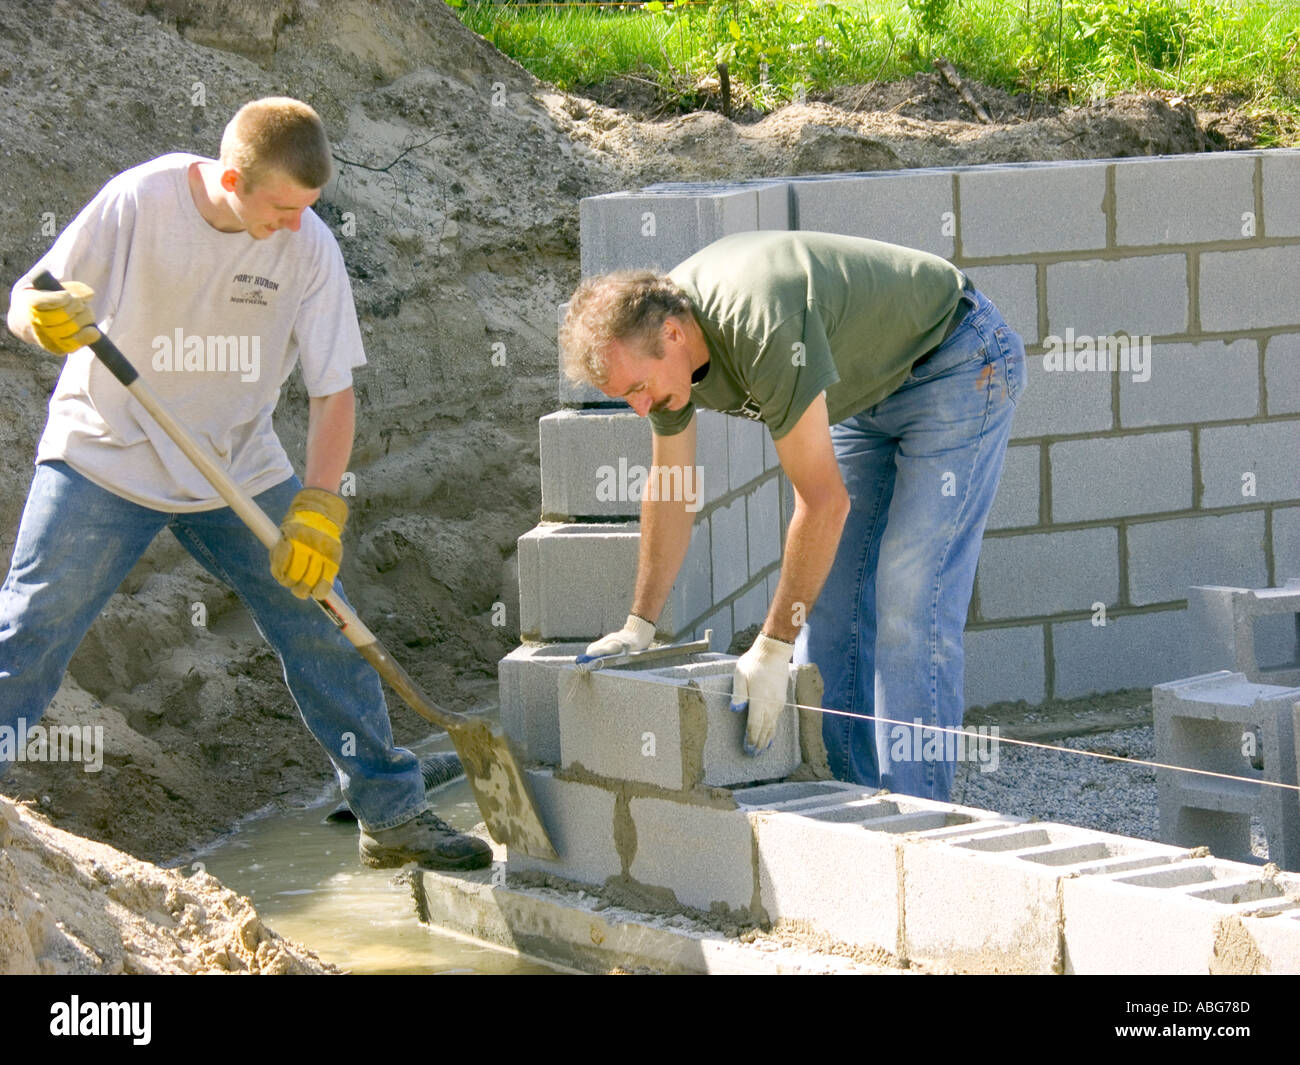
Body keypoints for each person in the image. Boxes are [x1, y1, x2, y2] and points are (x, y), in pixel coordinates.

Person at [1, 97, 490, 870]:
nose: (296, 225)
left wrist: (319, 509)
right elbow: (33, 296)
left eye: (309, 209)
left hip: (236, 463)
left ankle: (390, 811)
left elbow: (335, 391)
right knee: (32, 628)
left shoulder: (309, 245)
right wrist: (39, 316)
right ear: (232, 178)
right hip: (106, 452)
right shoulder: (142, 200)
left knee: (322, 625)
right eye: (283, 207)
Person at [561, 230, 1025, 801]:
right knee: (828, 597)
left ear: (674, 334)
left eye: (636, 388)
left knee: (909, 591)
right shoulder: (660, 356)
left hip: (957, 360)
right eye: (623, 396)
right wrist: (640, 626)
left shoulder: (760, 325)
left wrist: (774, 644)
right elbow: (673, 487)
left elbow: (824, 503)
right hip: (863, 394)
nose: (639, 406)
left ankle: (916, 817)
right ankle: (846, 800)